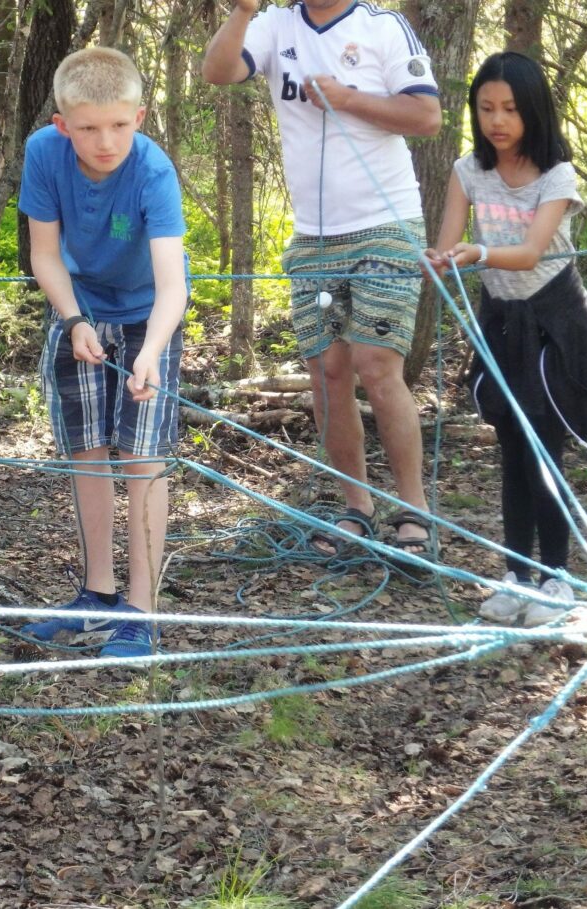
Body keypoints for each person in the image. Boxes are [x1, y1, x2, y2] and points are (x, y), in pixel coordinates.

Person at [202, 0, 442, 560]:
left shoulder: (382, 26)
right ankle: (356, 509)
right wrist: (241, 10)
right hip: (313, 235)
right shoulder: (274, 24)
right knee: (328, 372)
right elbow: (218, 71)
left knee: (378, 366)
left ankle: (415, 512)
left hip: (386, 223)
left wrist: (350, 99)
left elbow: (427, 117)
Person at [423, 51, 587, 626]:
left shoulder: (558, 176)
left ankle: (557, 581)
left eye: (509, 108)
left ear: (533, 111)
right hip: (501, 319)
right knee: (510, 446)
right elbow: (448, 243)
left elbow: (530, 252)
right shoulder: (467, 171)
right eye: (485, 108)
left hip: (555, 321)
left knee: (543, 450)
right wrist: (439, 260)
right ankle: (517, 575)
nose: (497, 121)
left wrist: (477, 253)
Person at [16, 47, 190, 658]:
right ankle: (98, 596)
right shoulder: (44, 153)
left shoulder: (152, 171)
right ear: (63, 125)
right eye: (88, 128)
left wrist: (153, 352)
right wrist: (72, 320)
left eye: (119, 124)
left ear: (139, 116)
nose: (105, 141)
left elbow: (174, 284)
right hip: (79, 308)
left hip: (149, 316)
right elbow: (43, 254)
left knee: (141, 456)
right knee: (87, 453)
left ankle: (141, 612)